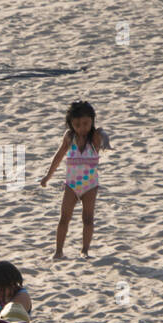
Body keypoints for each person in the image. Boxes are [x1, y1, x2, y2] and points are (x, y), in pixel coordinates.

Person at [39, 100, 110, 259]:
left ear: (92, 121)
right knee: (64, 218)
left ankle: (84, 250)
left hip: (90, 185)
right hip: (71, 185)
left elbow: (103, 135)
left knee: (88, 219)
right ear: (71, 125)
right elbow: (58, 157)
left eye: (86, 123)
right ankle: (58, 251)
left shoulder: (94, 138)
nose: (82, 128)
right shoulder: (69, 137)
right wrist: (47, 176)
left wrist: (105, 138)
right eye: (77, 125)